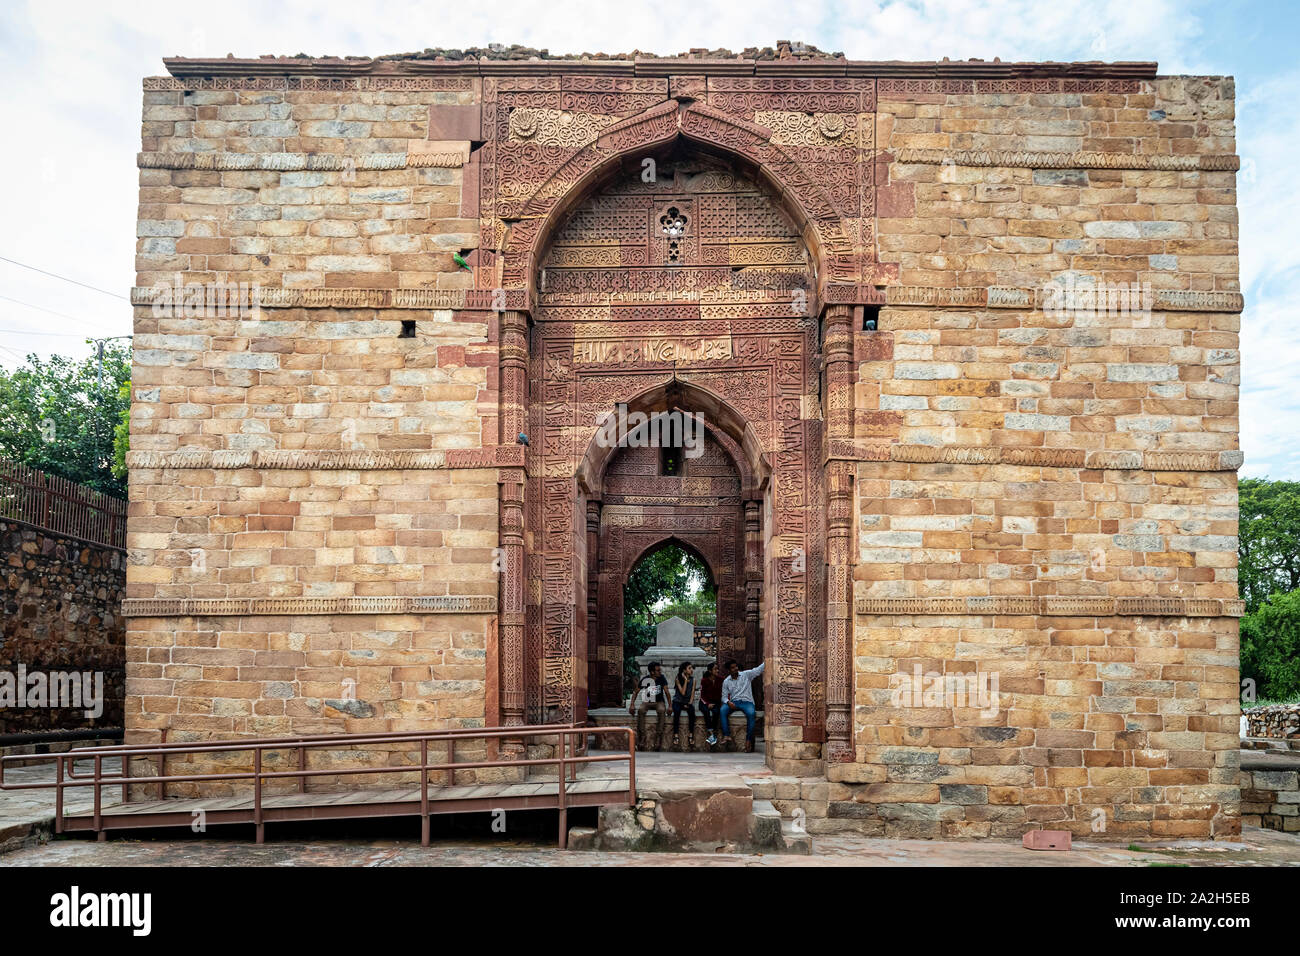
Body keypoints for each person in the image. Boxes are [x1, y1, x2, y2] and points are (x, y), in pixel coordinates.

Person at [719, 659, 765, 752]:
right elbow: (723, 697)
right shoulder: (726, 681)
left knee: (751, 714)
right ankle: (727, 735)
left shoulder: (746, 675)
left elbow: (758, 670)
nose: (735, 669)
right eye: (732, 668)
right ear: (729, 670)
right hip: (734, 702)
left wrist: (767, 660)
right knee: (722, 710)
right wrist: (728, 702)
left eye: (736, 666)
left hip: (746, 702)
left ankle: (748, 740)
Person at [629, 661, 669, 749]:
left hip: (659, 702)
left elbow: (667, 692)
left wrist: (670, 706)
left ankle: (658, 737)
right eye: (658, 670)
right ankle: (642, 737)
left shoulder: (662, 678)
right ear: (652, 672)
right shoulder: (645, 679)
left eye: (660, 670)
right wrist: (632, 704)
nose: (660, 672)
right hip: (647, 701)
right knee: (641, 710)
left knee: (662, 711)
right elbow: (636, 692)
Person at [670, 662, 697, 748]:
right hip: (678, 701)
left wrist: (689, 703)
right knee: (677, 713)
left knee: (692, 713)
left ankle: (691, 734)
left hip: (687, 702)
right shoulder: (678, 679)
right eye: (689, 668)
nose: (691, 670)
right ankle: (676, 735)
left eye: (691, 668)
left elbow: (692, 693)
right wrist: (685, 680)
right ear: (684, 670)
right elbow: (682, 692)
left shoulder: (694, 680)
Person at [699, 662, 723, 746]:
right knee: (706, 712)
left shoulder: (720, 679)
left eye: (717, 668)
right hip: (704, 702)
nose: (717, 670)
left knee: (716, 712)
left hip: (715, 702)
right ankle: (710, 732)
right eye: (715, 669)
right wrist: (707, 704)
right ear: (710, 671)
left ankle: (713, 732)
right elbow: (702, 695)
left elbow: (722, 693)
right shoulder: (704, 680)